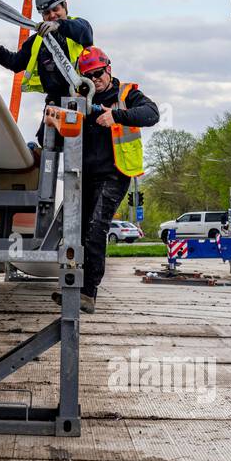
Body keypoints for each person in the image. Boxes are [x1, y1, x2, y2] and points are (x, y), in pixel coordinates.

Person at [73, 45, 159, 314]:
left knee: (97, 228)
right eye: (88, 75)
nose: (95, 79)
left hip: (115, 174)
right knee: (78, 232)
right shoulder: (80, 96)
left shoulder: (126, 94)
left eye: (98, 73)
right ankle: (77, 288)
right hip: (84, 176)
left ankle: (88, 294)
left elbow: (152, 114)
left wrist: (116, 116)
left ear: (108, 69)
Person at [0, 0, 93, 144]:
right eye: (47, 13)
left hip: (82, 98)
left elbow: (84, 32)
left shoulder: (79, 27)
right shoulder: (37, 42)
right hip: (55, 102)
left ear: (65, 6)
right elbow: (15, 62)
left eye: (56, 9)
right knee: (44, 140)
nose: (52, 15)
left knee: (81, 145)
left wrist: (58, 26)